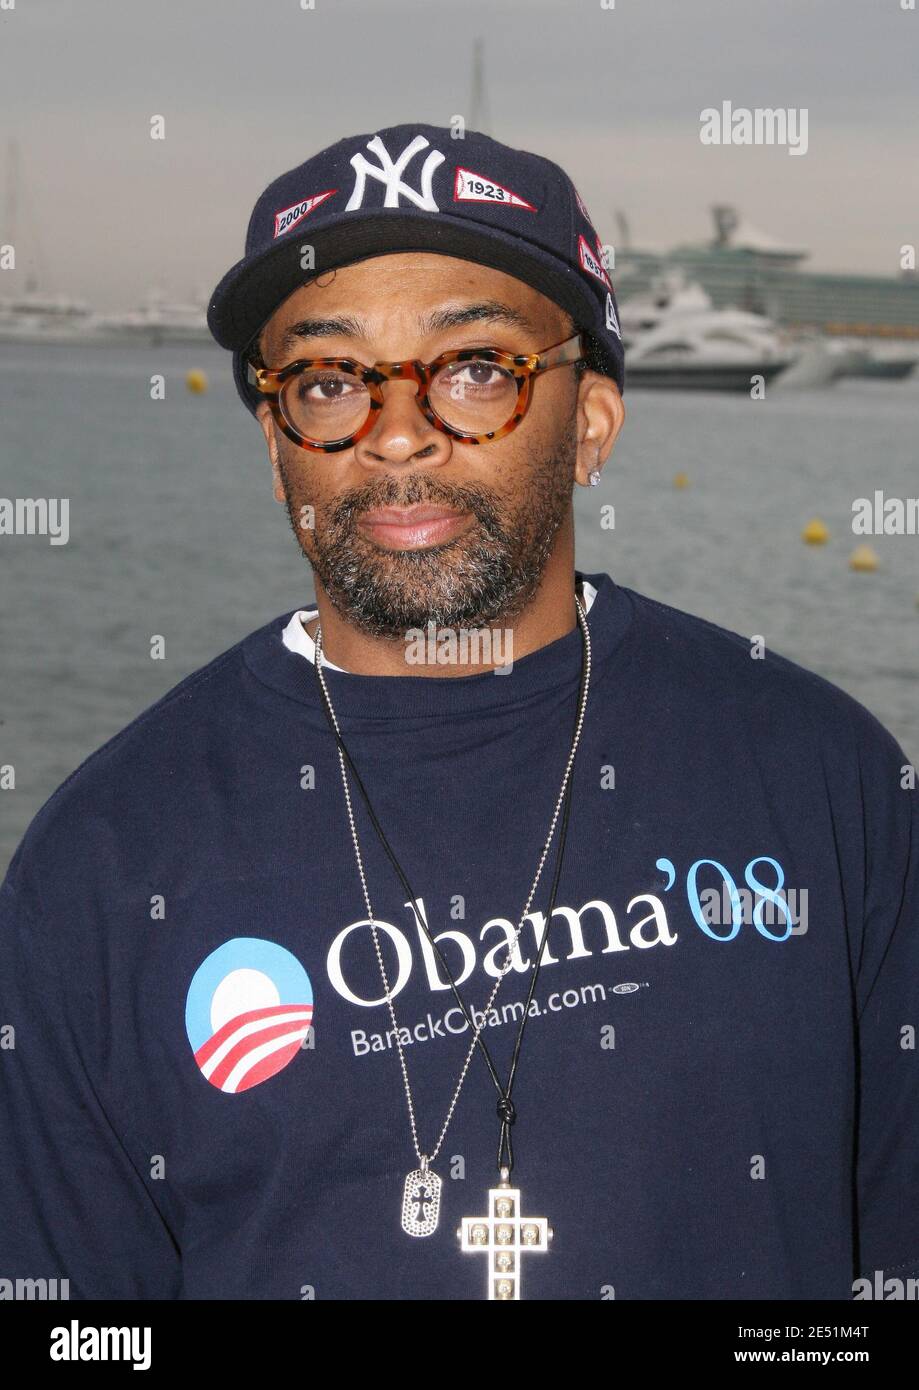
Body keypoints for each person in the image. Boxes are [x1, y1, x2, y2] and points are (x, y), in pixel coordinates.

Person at [1, 123, 916, 1302]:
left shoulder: (825, 779)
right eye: (329, 381)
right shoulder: (102, 863)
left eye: (476, 367)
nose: (395, 434)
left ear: (590, 421)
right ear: (276, 450)